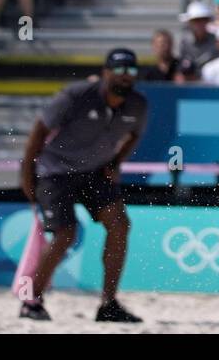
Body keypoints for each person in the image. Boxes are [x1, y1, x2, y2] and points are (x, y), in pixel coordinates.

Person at [18, 49, 148, 322]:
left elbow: (134, 135)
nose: (126, 76)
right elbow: (39, 131)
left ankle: (108, 304)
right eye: (120, 70)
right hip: (55, 172)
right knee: (65, 234)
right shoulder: (76, 96)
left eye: (132, 71)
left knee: (120, 225)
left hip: (93, 172)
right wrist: (27, 175)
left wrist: (116, 163)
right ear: (106, 72)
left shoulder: (137, 105)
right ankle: (32, 301)